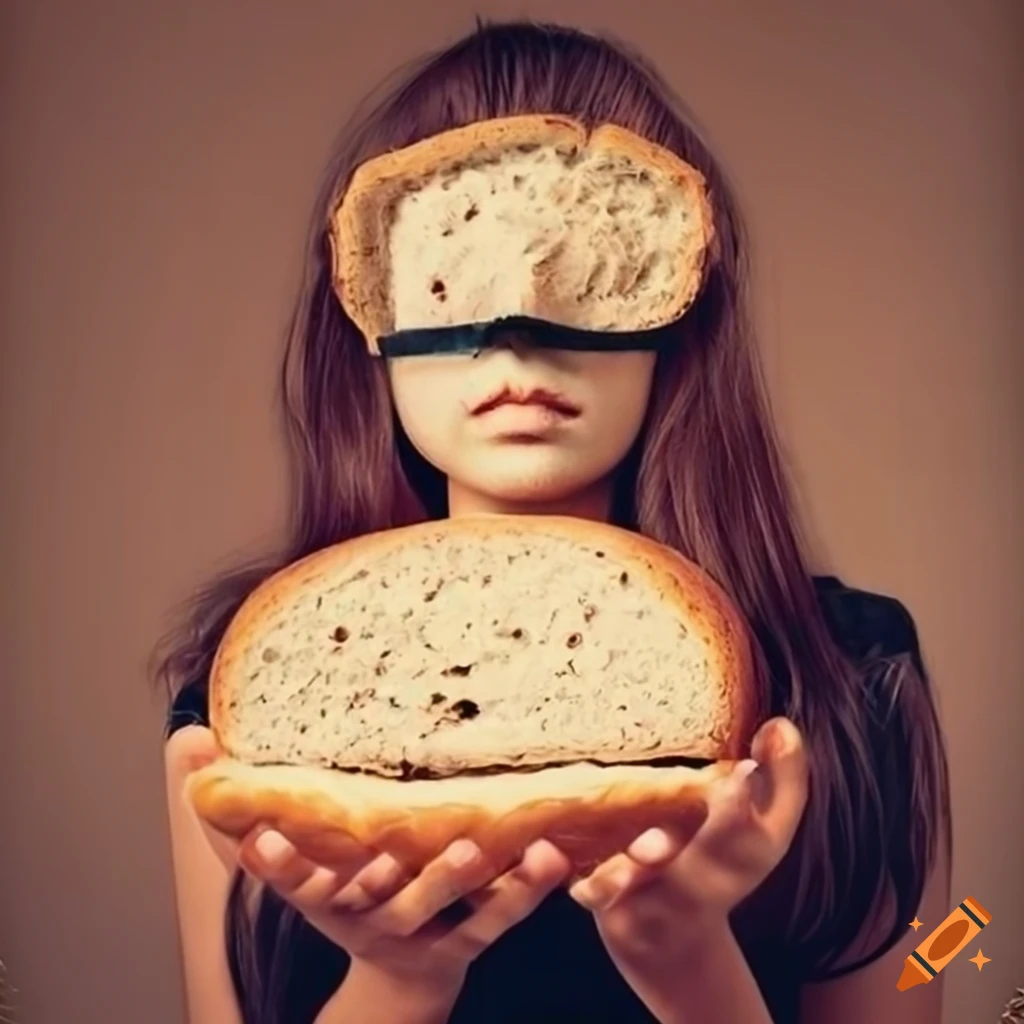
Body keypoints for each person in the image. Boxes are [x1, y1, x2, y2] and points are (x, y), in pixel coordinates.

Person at [156, 18, 951, 1024]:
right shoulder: (247, 711)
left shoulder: (851, 676)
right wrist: (400, 975)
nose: (515, 333)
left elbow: (941, 961)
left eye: (591, 268)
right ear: (369, 317)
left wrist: (688, 964)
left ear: (680, 309)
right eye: (447, 273)